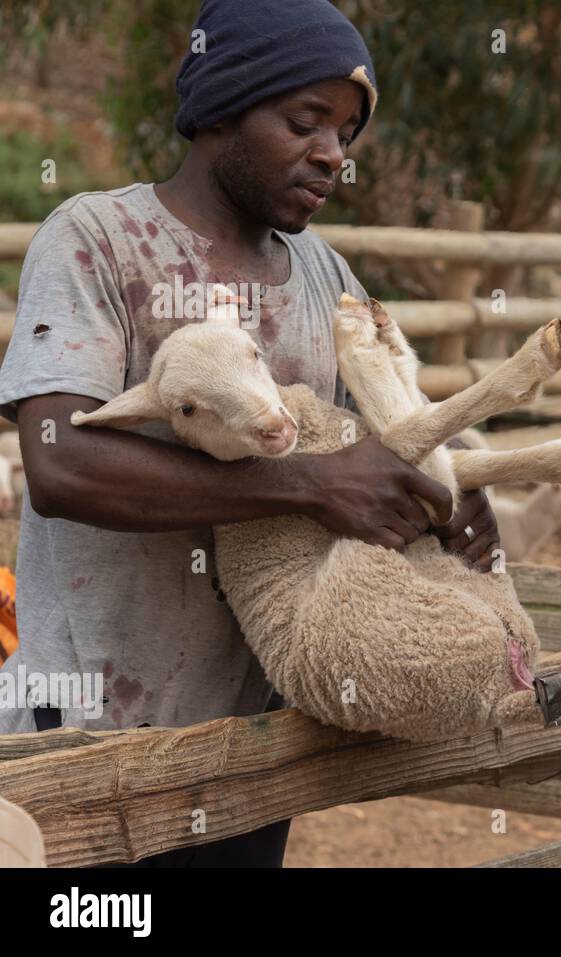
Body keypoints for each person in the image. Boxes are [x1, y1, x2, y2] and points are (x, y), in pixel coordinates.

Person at [0, 0, 499, 866]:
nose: (333, 156)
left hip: (251, 746)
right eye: (305, 122)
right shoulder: (98, 242)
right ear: (223, 106)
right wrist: (313, 483)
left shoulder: (323, 275)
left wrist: (456, 497)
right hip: (87, 733)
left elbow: (388, 439)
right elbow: (58, 464)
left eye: (347, 134)